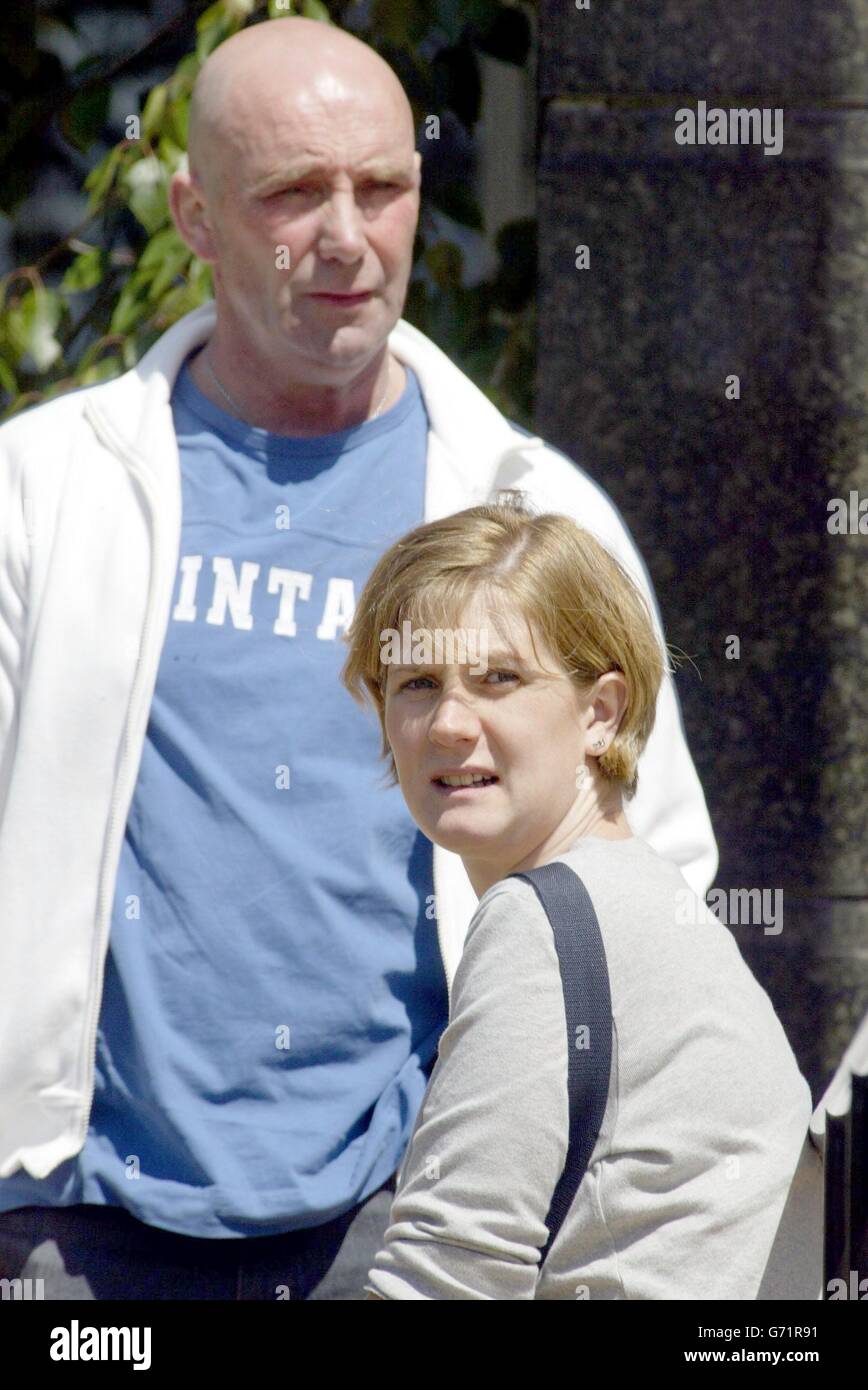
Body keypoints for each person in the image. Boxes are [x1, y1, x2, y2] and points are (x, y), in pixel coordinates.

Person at [0, 17, 716, 1299]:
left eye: (381, 187)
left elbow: (653, 869)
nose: (347, 233)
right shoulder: (43, 496)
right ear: (193, 215)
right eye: (290, 191)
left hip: (407, 1220)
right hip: (73, 1220)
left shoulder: (524, 508)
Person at [340, 494, 823, 1300]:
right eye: (416, 682)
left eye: (499, 679)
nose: (449, 723)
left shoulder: (547, 923)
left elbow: (442, 1278)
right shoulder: (638, 901)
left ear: (600, 713)